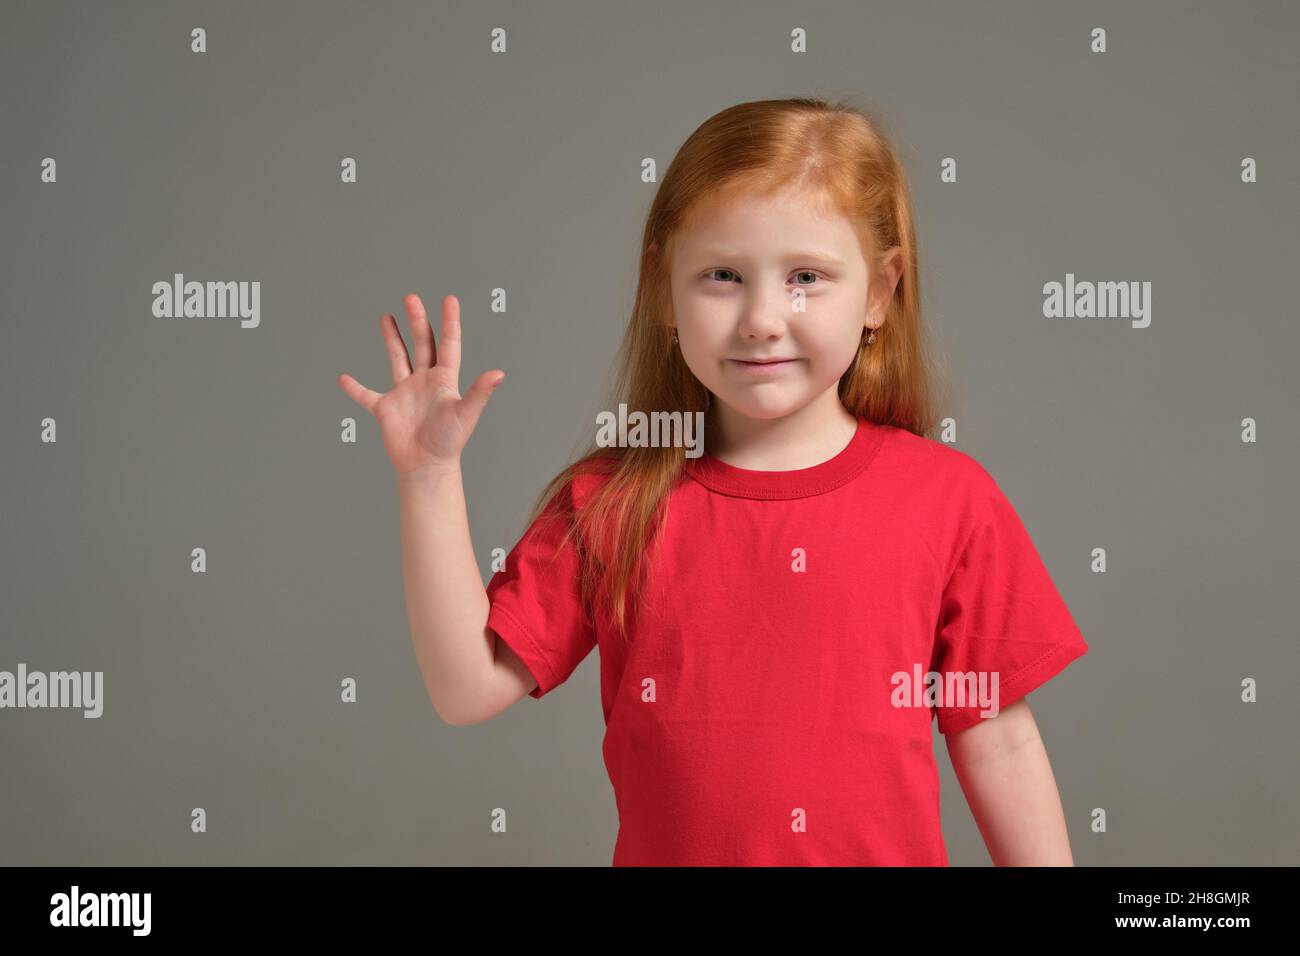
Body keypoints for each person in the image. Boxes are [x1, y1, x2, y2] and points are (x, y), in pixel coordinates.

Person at [338, 96, 1090, 866]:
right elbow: (467, 688)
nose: (763, 317)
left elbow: (995, 737)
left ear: (879, 292)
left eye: (805, 276)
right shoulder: (613, 502)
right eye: (723, 275)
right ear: (664, 287)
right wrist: (429, 478)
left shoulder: (949, 499)